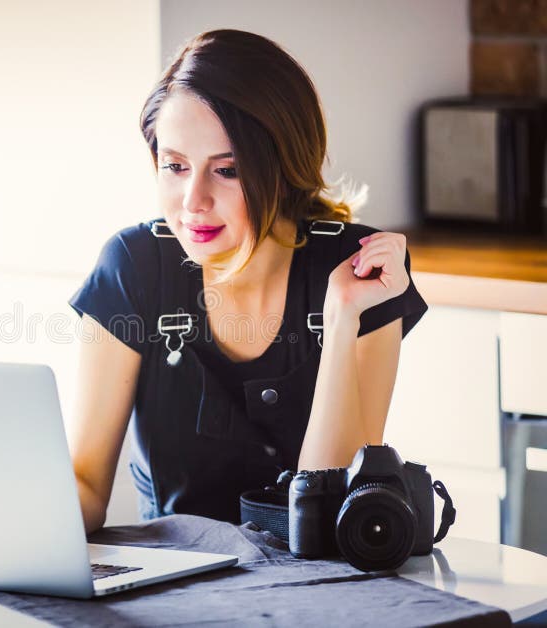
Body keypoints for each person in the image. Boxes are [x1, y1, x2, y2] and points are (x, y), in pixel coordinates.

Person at [67, 29, 427, 534]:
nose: (193, 200)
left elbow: (328, 513)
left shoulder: (358, 269)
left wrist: (343, 316)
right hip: (173, 593)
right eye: (174, 166)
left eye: (228, 170)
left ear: (284, 167)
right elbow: (84, 485)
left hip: (317, 589)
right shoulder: (133, 265)